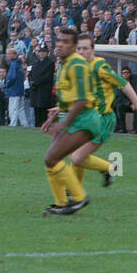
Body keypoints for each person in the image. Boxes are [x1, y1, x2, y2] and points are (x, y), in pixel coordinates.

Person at [71, 32, 137, 188]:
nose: (81, 52)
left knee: (76, 157)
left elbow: (124, 84)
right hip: (87, 118)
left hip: (102, 120)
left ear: (92, 50)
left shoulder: (100, 66)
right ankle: (77, 190)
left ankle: (105, 171)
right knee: (76, 154)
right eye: (79, 49)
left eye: (85, 48)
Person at [39, 27, 99, 216]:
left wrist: (63, 123)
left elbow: (82, 100)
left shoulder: (77, 65)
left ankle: (79, 197)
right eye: (59, 41)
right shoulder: (64, 65)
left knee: (52, 157)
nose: (60, 45)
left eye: (65, 42)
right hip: (73, 118)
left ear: (73, 47)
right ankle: (61, 203)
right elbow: (68, 98)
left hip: (85, 120)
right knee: (51, 159)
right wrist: (54, 117)